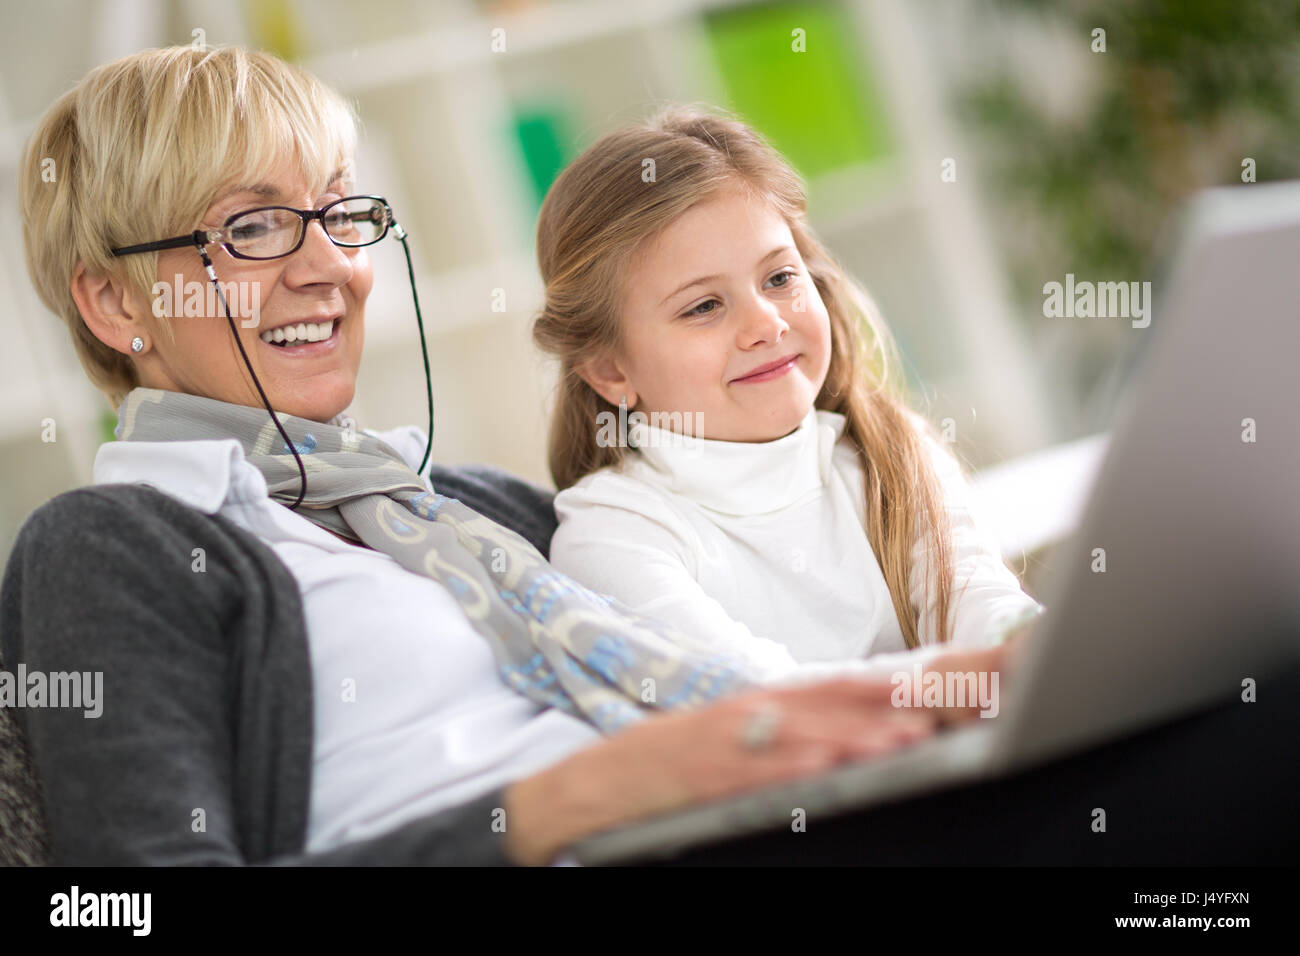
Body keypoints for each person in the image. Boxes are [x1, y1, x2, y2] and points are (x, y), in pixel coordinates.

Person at [0, 45, 995, 867]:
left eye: (340, 213)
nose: (331, 267)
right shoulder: (112, 543)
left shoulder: (466, 508)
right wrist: (563, 800)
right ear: (116, 302)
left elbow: (755, 646)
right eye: (254, 227)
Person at [535, 108, 1043, 682]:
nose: (767, 324)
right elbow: (763, 697)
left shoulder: (894, 452)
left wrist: (1032, 649)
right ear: (609, 371)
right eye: (704, 306)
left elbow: (984, 607)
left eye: (779, 279)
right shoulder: (613, 533)